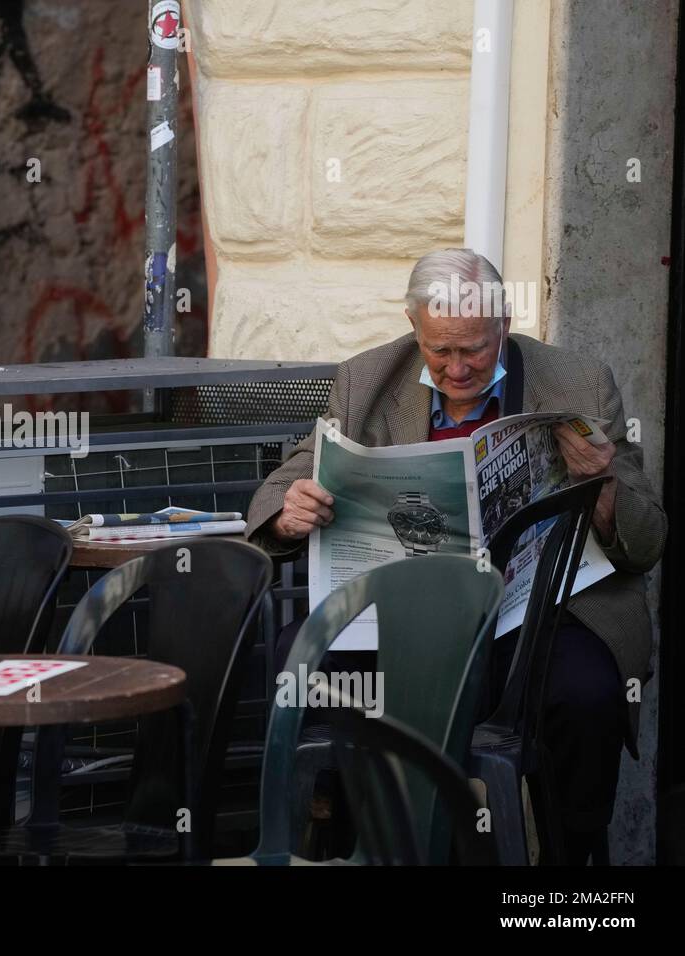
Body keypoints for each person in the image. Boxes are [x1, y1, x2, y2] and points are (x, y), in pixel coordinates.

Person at [246, 248, 667, 864]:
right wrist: (290, 511)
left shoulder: (578, 381)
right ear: (413, 325)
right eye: (439, 350)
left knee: (589, 694)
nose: (457, 368)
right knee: (299, 658)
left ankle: (575, 868)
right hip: (408, 620)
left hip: (536, 620)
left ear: (504, 323)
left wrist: (601, 483)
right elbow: (290, 481)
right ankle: (355, 838)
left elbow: (648, 539)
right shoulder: (367, 379)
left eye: (474, 348)